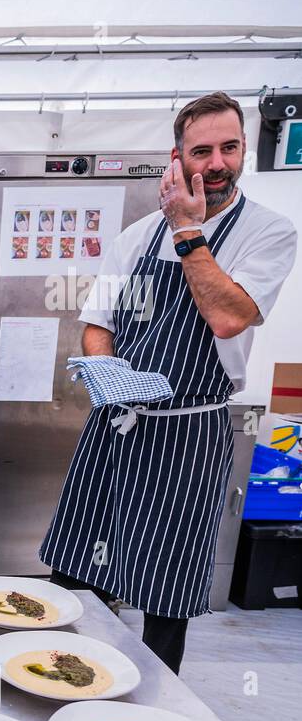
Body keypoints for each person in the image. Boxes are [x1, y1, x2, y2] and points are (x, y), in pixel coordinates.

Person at [40, 92, 298, 673]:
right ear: (177, 158)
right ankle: (56, 681)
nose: (215, 164)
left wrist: (188, 232)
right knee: (75, 572)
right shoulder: (134, 237)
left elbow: (229, 314)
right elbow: (97, 324)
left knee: (166, 593)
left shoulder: (269, 232)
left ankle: (151, 706)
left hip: (189, 435)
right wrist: (109, 376)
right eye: (200, 151)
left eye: (229, 148)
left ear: (244, 151)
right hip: (117, 428)